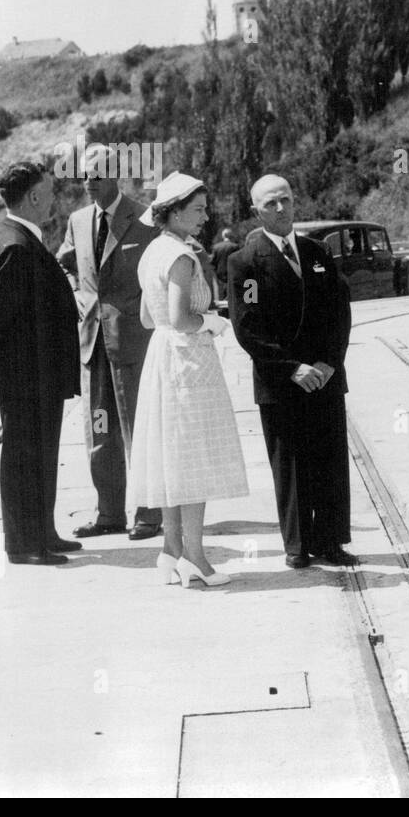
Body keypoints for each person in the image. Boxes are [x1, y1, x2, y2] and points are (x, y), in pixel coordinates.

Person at [228, 174, 356, 569]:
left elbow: (340, 314)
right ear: (256, 212)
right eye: (271, 204)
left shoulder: (318, 254)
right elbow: (246, 326)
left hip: (324, 377)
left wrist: (329, 362)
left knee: (330, 460)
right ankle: (297, 545)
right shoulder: (245, 263)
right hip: (280, 382)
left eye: (285, 199)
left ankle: (331, 540)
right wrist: (291, 368)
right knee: (290, 463)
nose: (281, 209)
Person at [128, 172, 247, 588]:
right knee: (193, 458)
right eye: (196, 210)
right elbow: (181, 318)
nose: (204, 216)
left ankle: (171, 550)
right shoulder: (180, 256)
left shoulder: (151, 252)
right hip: (187, 360)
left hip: (161, 356)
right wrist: (212, 321)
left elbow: (148, 317)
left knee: (172, 457)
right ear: (174, 212)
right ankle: (195, 557)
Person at [0, 161, 82, 565]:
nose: (54, 198)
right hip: (25, 377)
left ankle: (43, 532)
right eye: (49, 191)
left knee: (42, 455)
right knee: (24, 458)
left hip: (40, 374)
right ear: (33, 197)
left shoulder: (19, 238)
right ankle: (22, 544)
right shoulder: (15, 246)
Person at [57, 151, 161, 540]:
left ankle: (150, 514)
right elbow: (65, 264)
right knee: (99, 429)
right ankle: (109, 514)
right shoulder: (78, 221)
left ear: (117, 175)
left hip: (135, 342)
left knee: (139, 429)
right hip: (92, 343)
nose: (89, 181)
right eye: (84, 175)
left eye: (98, 174)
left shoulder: (145, 218)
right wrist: (78, 297)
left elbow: (163, 269)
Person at [210, 227, 240, 297]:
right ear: (231, 236)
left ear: (223, 236)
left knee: (221, 294)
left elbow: (213, 262)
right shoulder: (235, 246)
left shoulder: (216, 247)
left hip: (219, 274)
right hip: (232, 273)